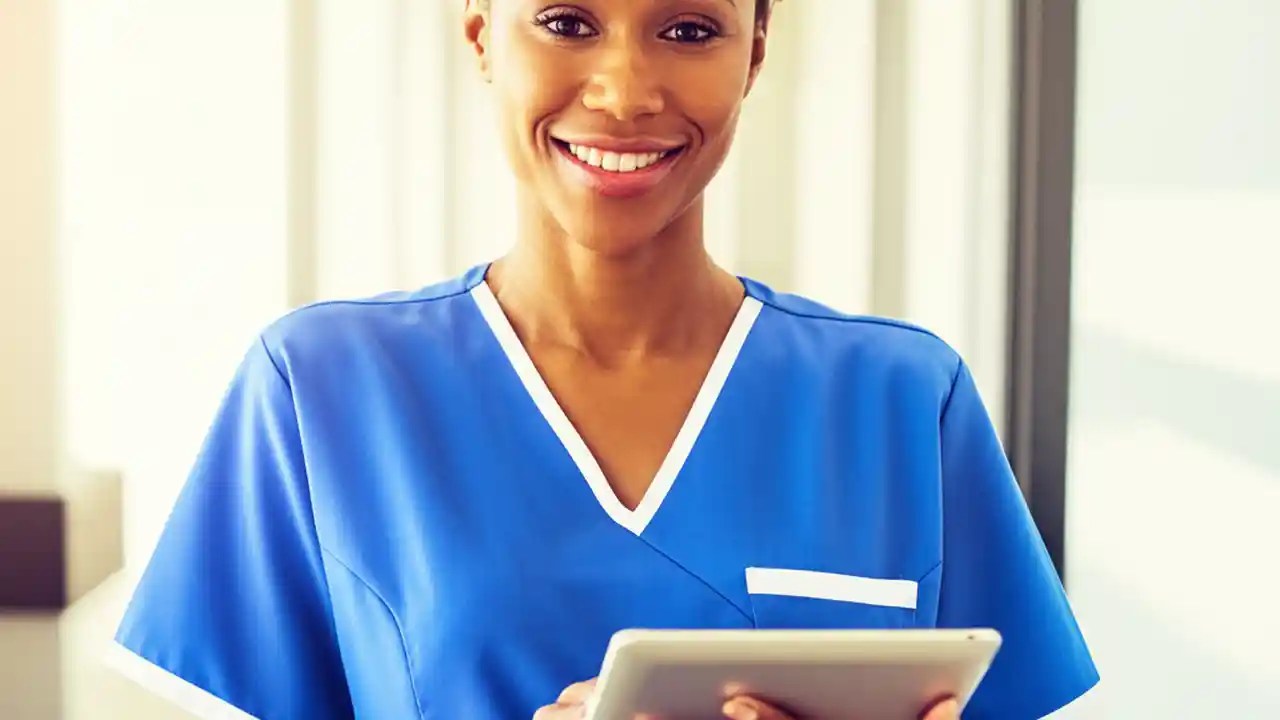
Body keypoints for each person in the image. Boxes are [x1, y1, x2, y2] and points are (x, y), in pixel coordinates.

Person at [110, 0, 1099, 718]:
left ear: (754, 50)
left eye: (686, 30)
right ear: (479, 36)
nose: (624, 90)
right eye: (566, 21)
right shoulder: (322, 385)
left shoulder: (899, 398)